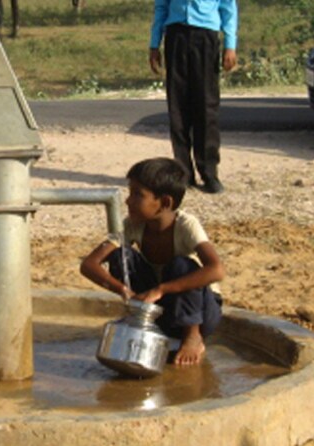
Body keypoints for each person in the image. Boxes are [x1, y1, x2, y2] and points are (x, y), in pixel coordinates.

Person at [80, 158, 225, 365]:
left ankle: (192, 337)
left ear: (164, 203)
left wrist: (162, 290)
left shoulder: (186, 226)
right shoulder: (131, 225)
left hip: (200, 314)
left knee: (182, 266)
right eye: (130, 193)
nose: (128, 201)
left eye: (137, 194)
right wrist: (124, 290)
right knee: (121, 255)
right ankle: (140, 322)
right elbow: (89, 265)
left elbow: (216, 270)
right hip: (160, 311)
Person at [149, 0, 238, 194]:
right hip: (176, 36)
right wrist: (154, 44)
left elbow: (228, 8)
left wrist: (230, 45)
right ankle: (183, 174)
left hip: (205, 37)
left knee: (206, 106)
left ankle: (209, 173)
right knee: (178, 107)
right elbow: (161, 7)